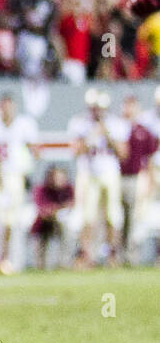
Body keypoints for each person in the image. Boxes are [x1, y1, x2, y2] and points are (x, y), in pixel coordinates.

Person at [0, 93, 39, 272]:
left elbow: (35, 152)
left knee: (13, 221)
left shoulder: (25, 125)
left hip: (14, 176)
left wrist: (25, 167)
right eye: (4, 106)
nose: (7, 110)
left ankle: (12, 260)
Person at [66, 89, 128, 267]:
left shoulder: (115, 124)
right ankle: (87, 256)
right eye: (94, 108)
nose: (97, 112)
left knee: (112, 216)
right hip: (88, 173)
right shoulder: (80, 123)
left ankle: (112, 255)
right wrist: (92, 135)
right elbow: (76, 150)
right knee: (87, 217)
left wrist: (106, 134)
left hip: (110, 173)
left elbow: (123, 153)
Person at [116, 95, 157, 267]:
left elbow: (150, 156)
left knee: (135, 217)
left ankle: (131, 255)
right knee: (117, 217)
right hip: (117, 176)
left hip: (136, 176)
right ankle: (116, 254)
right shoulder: (117, 127)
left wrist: (149, 177)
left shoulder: (143, 130)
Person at [30, 166, 75, 271]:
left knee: (68, 230)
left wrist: (56, 210)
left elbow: (71, 205)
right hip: (44, 223)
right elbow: (43, 211)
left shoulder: (69, 189)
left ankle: (64, 263)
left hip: (60, 222)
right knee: (42, 237)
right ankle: (41, 265)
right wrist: (56, 209)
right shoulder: (42, 190)